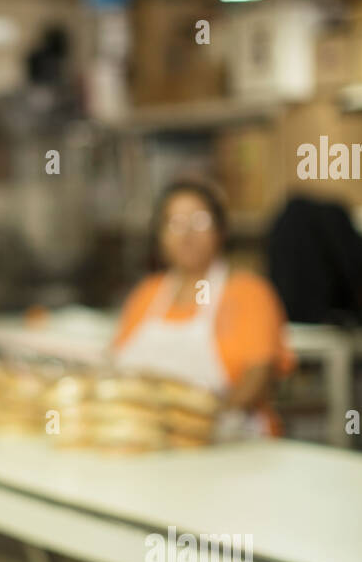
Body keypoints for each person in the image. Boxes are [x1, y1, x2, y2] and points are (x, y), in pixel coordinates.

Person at [110, 177, 295, 437]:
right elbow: (117, 368)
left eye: (199, 222)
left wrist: (204, 422)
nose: (187, 235)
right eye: (175, 223)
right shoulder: (146, 294)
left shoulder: (249, 292)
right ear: (160, 235)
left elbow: (260, 376)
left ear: (220, 230)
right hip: (151, 443)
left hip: (235, 445)